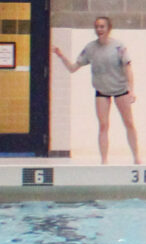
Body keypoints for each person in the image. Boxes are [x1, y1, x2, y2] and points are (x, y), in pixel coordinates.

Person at [56, 16, 139, 164]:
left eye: (102, 27)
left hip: (120, 89)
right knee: (103, 125)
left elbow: (128, 68)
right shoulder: (90, 48)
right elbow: (73, 68)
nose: (99, 30)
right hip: (102, 91)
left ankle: (136, 157)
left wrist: (131, 90)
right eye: (97, 27)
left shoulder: (118, 47)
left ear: (108, 28)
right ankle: (104, 160)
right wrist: (61, 56)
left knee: (129, 123)